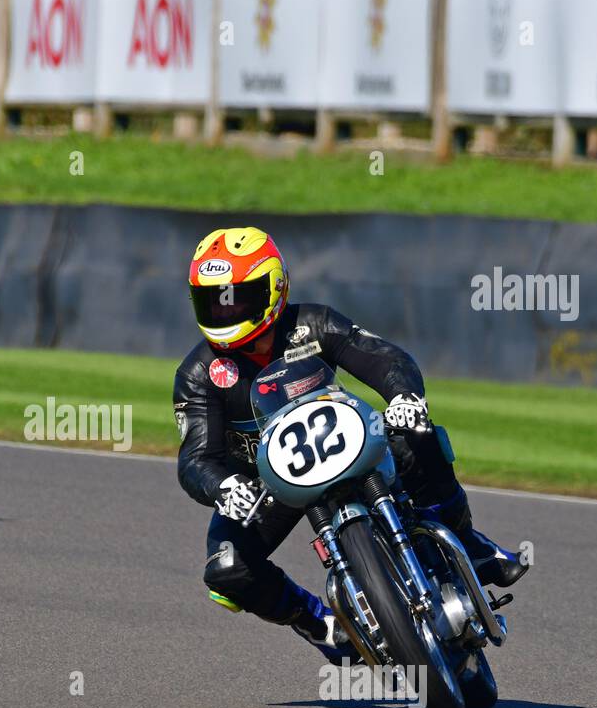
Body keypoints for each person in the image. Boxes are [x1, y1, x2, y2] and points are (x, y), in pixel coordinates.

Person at [173, 227, 527, 661]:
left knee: (418, 432)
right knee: (226, 570)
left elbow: (384, 357)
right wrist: (223, 486)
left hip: (353, 445)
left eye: (236, 295)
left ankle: (468, 541)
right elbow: (196, 458)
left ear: (274, 286)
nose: (225, 308)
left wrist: (402, 397)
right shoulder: (199, 373)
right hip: (267, 487)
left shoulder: (314, 323)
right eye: (213, 299)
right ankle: (318, 622)